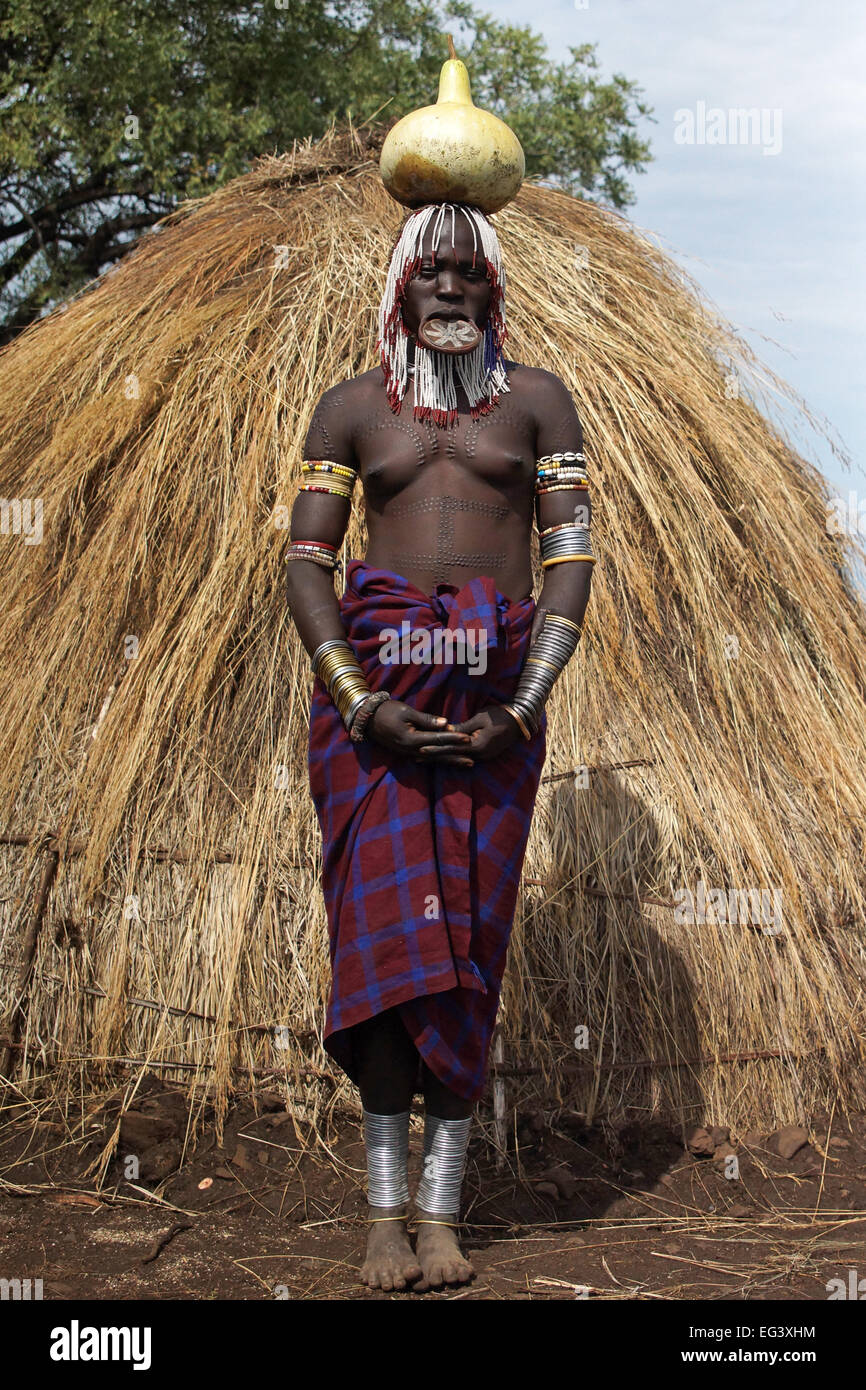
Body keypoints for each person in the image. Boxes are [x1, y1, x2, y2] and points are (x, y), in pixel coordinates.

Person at [284, 200, 595, 1291]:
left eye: (469, 272)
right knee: (380, 963)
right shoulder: (351, 411)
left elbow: (567, 556)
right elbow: (306, 564)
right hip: (371, 720)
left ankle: (442, 1210)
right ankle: (381, 1215)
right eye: (432, 274)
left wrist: (521, 701)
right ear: (399, 291)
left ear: (492, 288)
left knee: (467, 952)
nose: (451, 290)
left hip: (493, 708)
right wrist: (359, 700)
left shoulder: (540, 405)